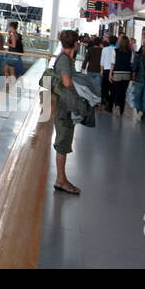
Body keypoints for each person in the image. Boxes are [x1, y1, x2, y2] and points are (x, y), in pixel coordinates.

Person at [52, 31, 82, 195]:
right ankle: (61, 180)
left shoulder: (66, 59)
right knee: (63, 143)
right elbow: (66, 81)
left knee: (64, 142)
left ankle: (62, 178)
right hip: (64, 107)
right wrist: (78, 91)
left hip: (64, 105)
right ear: (75, 44)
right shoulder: (64, 60)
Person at [109, 35, 133, 116]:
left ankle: (117, 105)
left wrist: (110, 74)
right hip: (127, 74)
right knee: (123, 92)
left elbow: (113, 63)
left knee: (117, 91)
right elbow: (131, 63)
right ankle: (121, 109)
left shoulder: (115, 51)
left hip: (117, 73)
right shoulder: (130, 52)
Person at [99, 34, 116, 110]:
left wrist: (101, 70)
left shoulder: (105, 49)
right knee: (112, 89)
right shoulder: (117, 49)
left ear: (109, 41)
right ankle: (111, 105)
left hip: (106, 69)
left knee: (104, 88)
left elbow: (102, 61)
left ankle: (107, 100)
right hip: (114, 70)